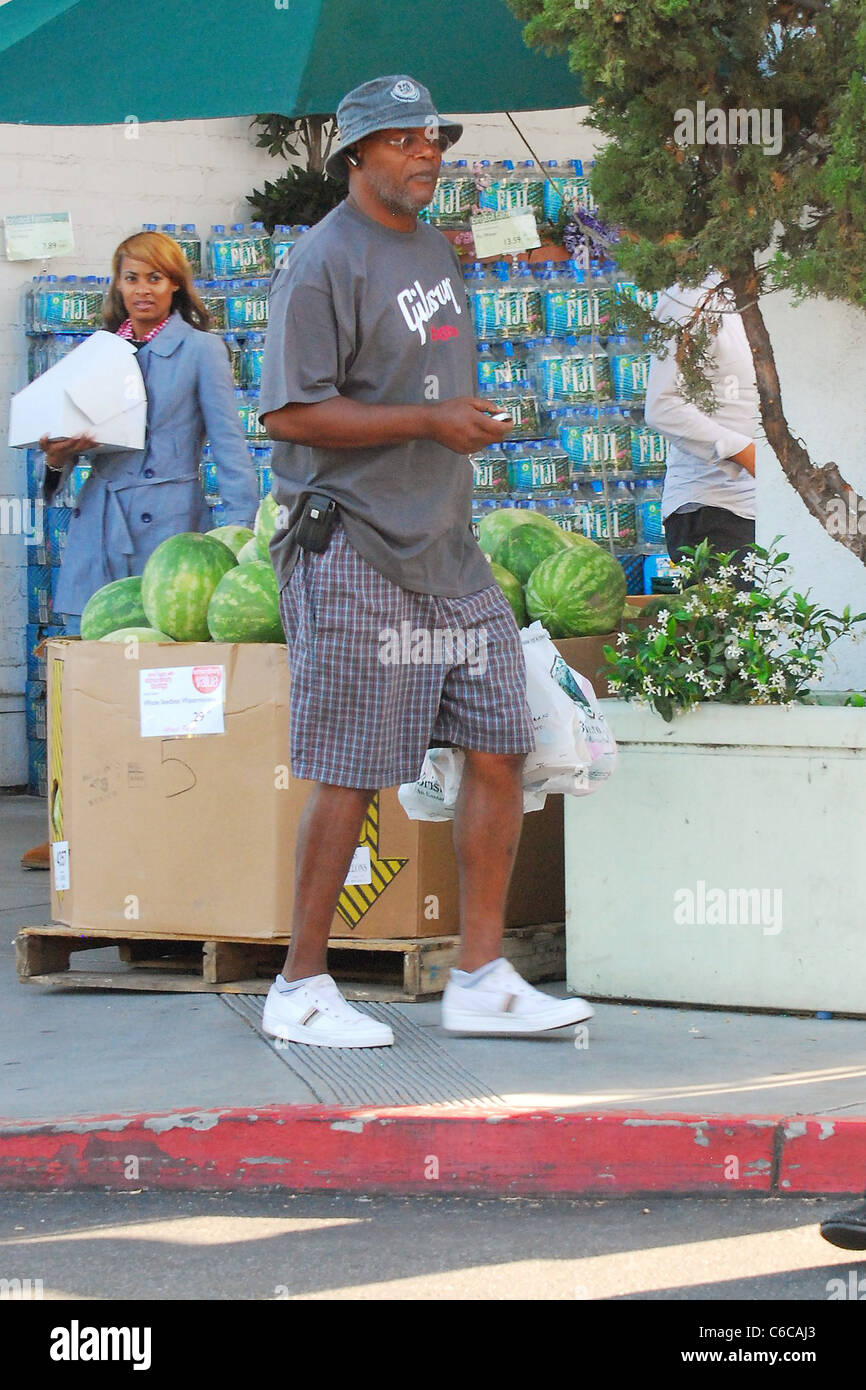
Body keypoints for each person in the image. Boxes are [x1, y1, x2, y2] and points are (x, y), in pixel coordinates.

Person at [258, 74, 594, 1049]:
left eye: (433, 138)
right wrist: (428, 421)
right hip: (356, 543)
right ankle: (301, 985)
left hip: (449, 547)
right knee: (353, 769)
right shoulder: (322, 264)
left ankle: (481, 976)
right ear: (353, 154)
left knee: (500, 741)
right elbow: (288, 414)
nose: (425, 154)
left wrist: (461, 418)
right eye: (402, 139)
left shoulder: (435, 251)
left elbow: (432, 379)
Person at [21, 230, 258, 871]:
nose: (142, 290)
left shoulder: (202, 349)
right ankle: (74, 827)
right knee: (83, 674)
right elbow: (63, 460)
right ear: (116, 285)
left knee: (165, 677)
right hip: (100, 520)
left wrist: (237, 542)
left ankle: (171, 815)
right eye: (131, 278)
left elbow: (232, 450)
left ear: (176, 285)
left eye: (155, 278)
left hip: (171, 528)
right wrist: (59, 458)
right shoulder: (99, 352)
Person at [644, 271, 758, 577]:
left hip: (777, 508)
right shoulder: (690, 297)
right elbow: (662, 406)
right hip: (715, 511)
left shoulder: (775, 289)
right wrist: (744, 453)